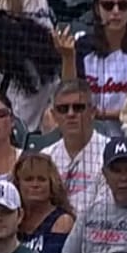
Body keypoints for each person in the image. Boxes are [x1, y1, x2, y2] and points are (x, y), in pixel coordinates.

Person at [56, 0, 127, 126]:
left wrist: (103, 114)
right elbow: (70, 93)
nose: (115, 11)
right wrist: (68, 57)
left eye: (123, 5)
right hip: (89, 129)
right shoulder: (84, 47)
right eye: (108, 5)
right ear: (97, 9)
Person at [41, 79, 111, 214]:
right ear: (54, 115)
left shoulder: (108, 153)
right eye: (63, 109)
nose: (71, 114)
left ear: (92, 112)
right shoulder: (46, 157)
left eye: (78, 107)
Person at [11, 152, 74, 253]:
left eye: (41, 179)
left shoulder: (62, 221)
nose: (35, 185)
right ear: (18, 184)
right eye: (28, 179)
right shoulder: (11, 217)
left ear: (52, 184)